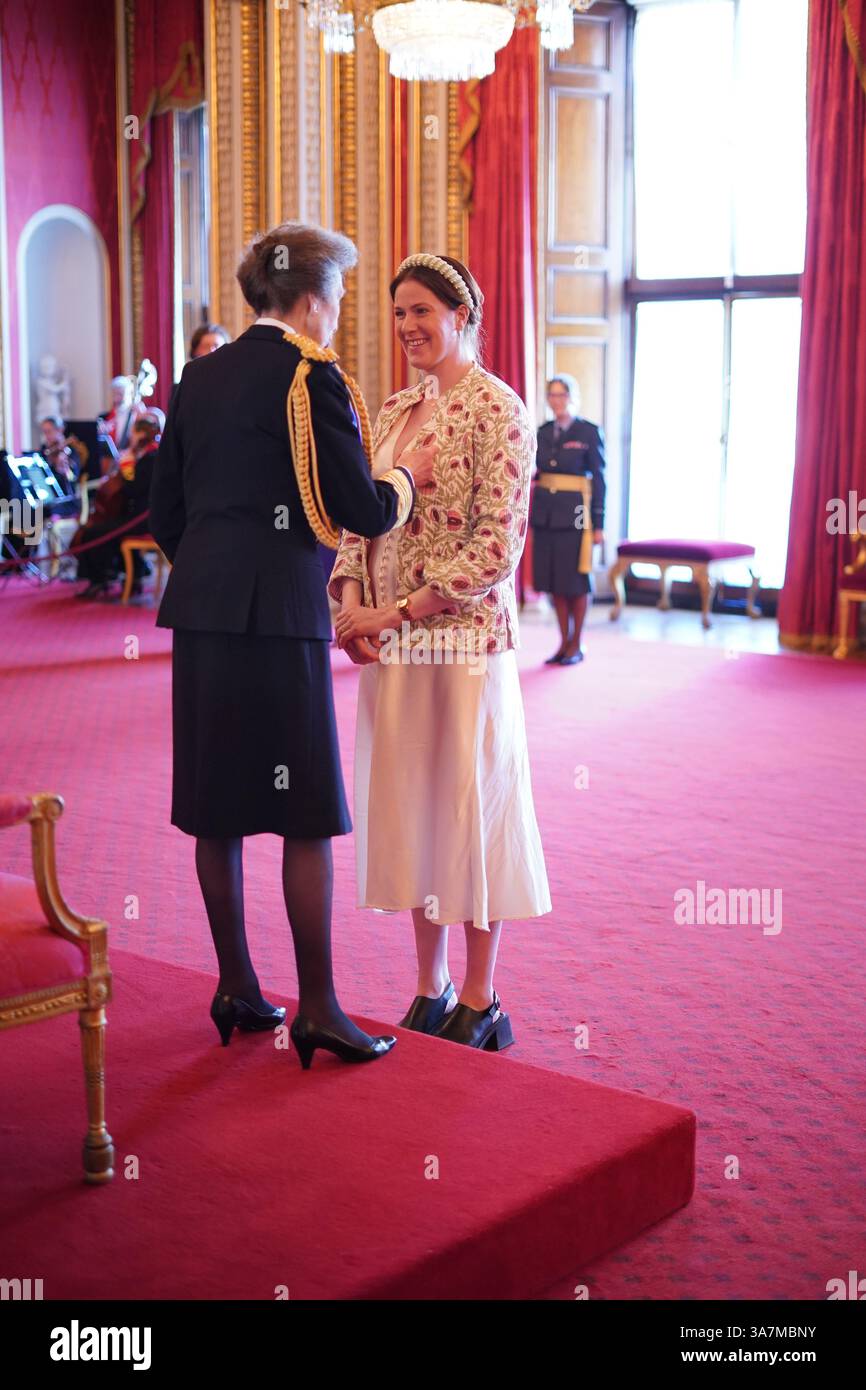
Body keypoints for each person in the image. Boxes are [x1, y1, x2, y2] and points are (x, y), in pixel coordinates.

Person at [148, 222, 435, 1070]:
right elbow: (361, 505)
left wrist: (215, 570)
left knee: (218, 806)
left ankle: (237, 985)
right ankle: (317, 1008)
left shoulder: (199, 376)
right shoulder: (311, 376)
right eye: (341, 297)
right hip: (279, 614)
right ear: (312, 299)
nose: (340, 312)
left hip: (200, 611)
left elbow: (167, 513)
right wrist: (408, 476)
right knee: (305, 810)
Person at [331, 252, 551, 1051]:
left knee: (470, 811)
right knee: (415, 812)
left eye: (424, 310)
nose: (410, 327)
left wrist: (395, 612)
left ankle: (484, 998)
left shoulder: (501, 412)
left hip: (460, 649)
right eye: (399, 314)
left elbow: (497, 548)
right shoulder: (393, 410)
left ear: (464, 317)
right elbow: (359, 520)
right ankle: (431, 986)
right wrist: (353, 605)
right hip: (391, 649)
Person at [530, 375, 606, 665]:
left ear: (572, 398)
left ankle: (577, 643)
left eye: (562, 395)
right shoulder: (543, 432)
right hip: (546, 514)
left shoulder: (588, 432)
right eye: (552, 395)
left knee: (576, 580)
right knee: (554, 581)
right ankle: (563, 643)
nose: (556, 400)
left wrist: (598, 524)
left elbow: (599, 479)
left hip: (576, 515)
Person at [73, 410, 162, 599]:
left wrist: (127, 466)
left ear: (142, 434)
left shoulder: (152, 457)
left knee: (94, 533)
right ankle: (129, 574)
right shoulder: (146, 455)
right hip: (136, 514)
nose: (132, 437)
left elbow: (133, 488)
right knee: (103, 530)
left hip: (142, 519)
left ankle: (99, 580)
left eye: (135, 432)